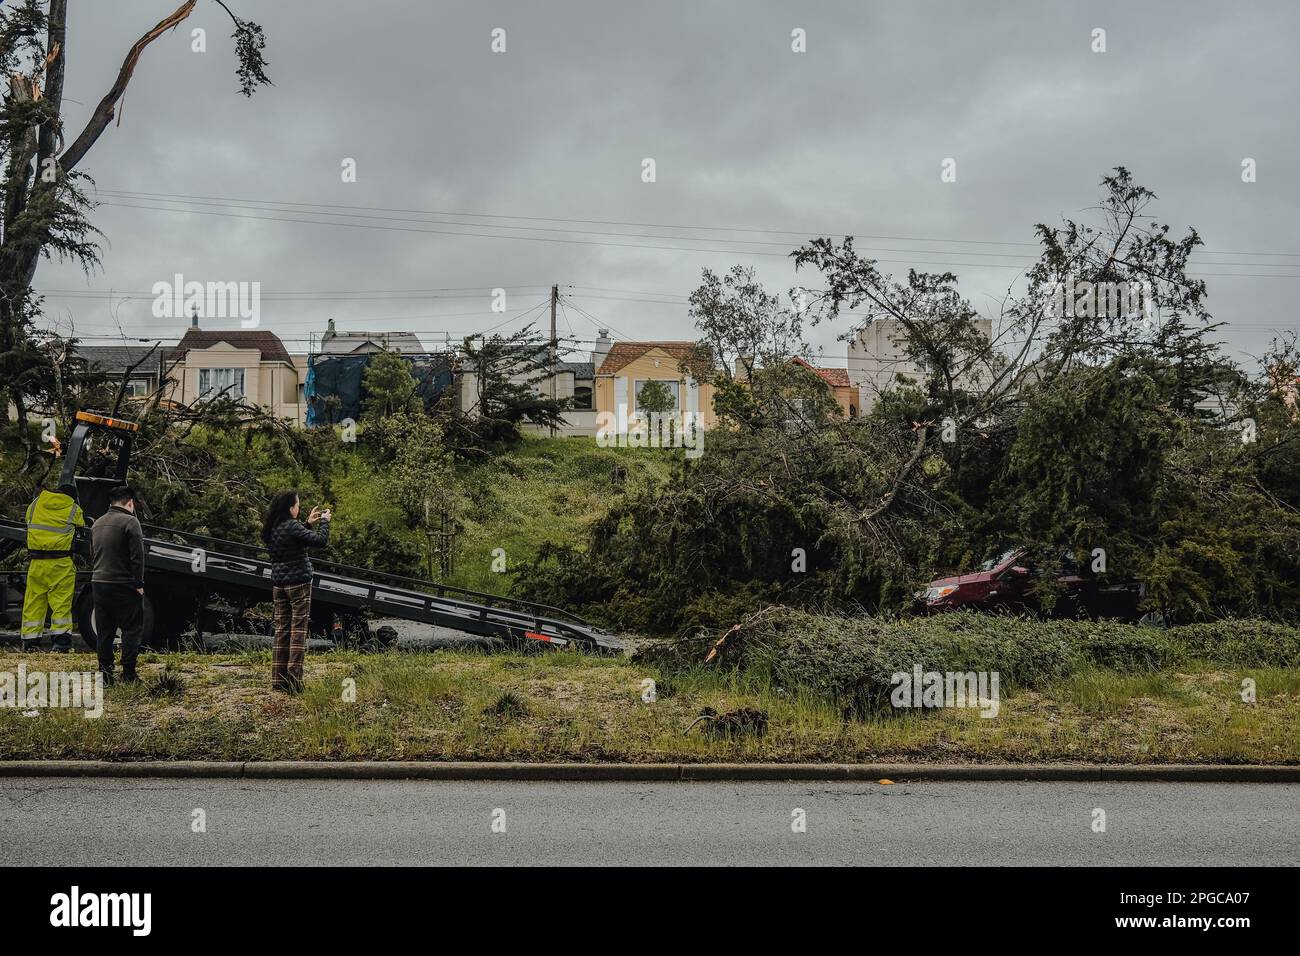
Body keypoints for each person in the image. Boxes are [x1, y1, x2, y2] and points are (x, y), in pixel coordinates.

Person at [262, 490, 331, 693]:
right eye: (297, 505)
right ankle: (294, 679)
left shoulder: (273, 528)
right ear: (290, 507)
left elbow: (293, 539)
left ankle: (279, 679)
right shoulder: (291, 526)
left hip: (279, 584)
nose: (299, 507)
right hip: (299, 583)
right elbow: (320, 541)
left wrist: (308, 523)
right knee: (298, 629)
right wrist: (325, 522)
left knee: (282, 629)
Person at [91, 484, 146, 684]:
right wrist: (139, 583)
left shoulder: (97, 523)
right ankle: (129, 674)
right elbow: (137, 557)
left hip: (99, 583)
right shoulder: (131, 522)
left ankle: (105, 675)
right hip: (123, 584)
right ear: (130, 503)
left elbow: (94, 554)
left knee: (105, 632)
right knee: (131, 628)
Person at [21, 482, 85, 652]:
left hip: (37, 562)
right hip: (60, 563)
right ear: (72, 496)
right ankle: (60, 644)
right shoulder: (73, 508)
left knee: (34, 601)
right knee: (61, 602)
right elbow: (82, 526)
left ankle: (30, 643)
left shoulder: (35, 504)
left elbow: (28, 520)